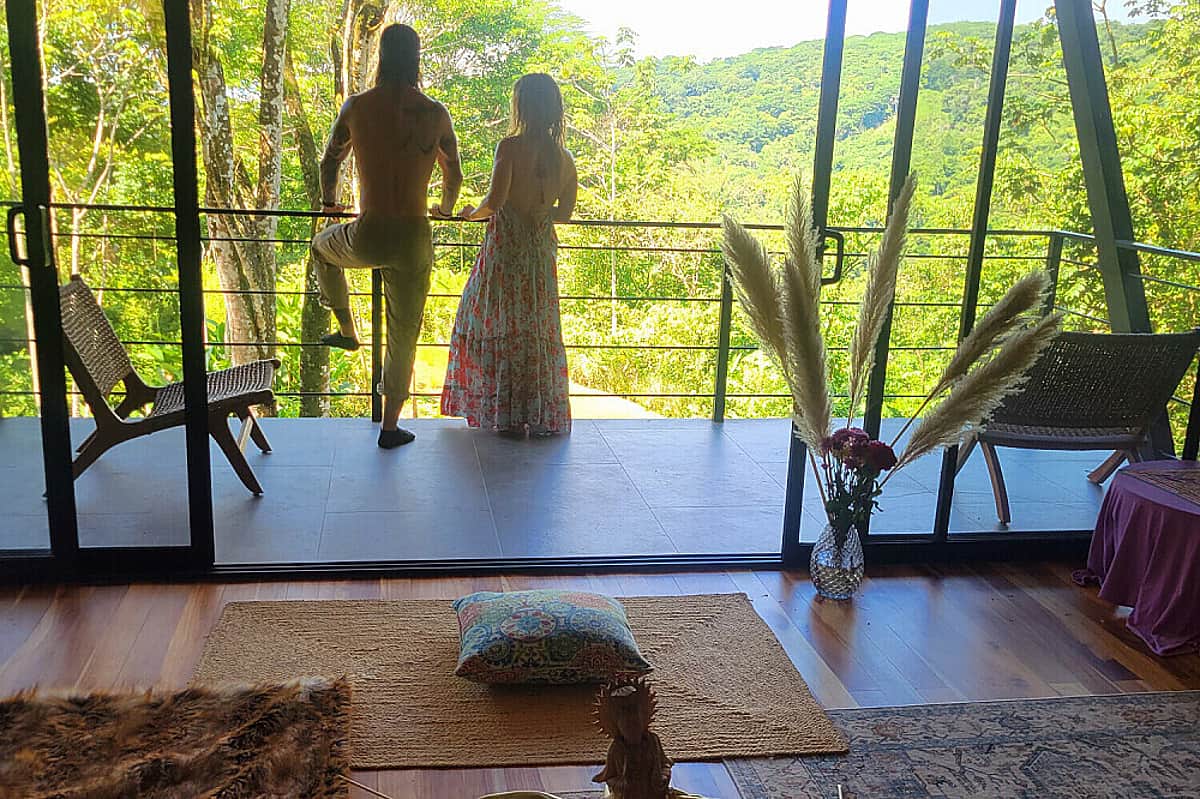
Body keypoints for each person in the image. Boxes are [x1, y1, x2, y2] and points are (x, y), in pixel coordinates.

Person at [312, 23, 462, 448]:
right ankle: (390, 427)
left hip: (369, 232)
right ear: (415, 58)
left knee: (320, 248)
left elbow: (330, 162)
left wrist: (329, 203)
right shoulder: (435, 113)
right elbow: (454, 172)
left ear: (381, 56)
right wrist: (446, 209)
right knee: (403, 334)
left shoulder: (358, 107)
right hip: (415, 235)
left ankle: (347, 328)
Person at [440, 73, 578, 437]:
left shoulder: (510, 148)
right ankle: (534, 410)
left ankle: (505, 413)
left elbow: (496, 201)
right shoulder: (565, 158)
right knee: (535, 331)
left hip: (505, 253)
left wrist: (471, 212)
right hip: (538, 257)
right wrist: (544, 212)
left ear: (522, 107)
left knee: (486, 321)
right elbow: (565, 213)